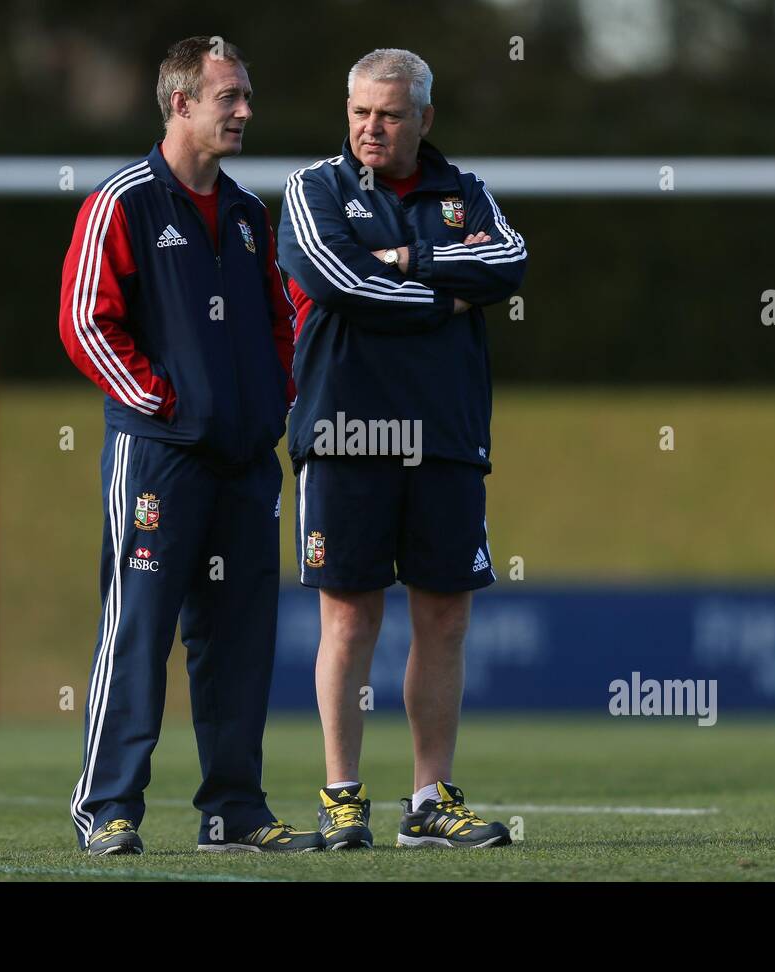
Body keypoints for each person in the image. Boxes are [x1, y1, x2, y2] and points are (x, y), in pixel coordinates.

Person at [59, 36, 322, 855]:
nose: (245, 110)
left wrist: (270, 405)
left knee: (241, 639)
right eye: (229, 97)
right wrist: (161, 402)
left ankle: (233, 811)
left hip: (244, 463)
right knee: (139, 628)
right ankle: (107, 809)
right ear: (180, 104)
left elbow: (285, 322)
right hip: (159, 458)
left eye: (245, 95)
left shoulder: (248, 213)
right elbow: (83, 321)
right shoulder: (123, 202)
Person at [278, 48, 528, 849]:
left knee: (445, 615)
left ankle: (429, 800)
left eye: (388, 114)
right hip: (346, 430)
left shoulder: (466, 191)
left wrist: (413, 260)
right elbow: (338, 282)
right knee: (349, 618)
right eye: (358, 111)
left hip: (447, 433)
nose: (370, 128)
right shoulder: (314, 188)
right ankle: (342, 795)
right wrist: (447, 298)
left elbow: (510, 261)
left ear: (425, 117)